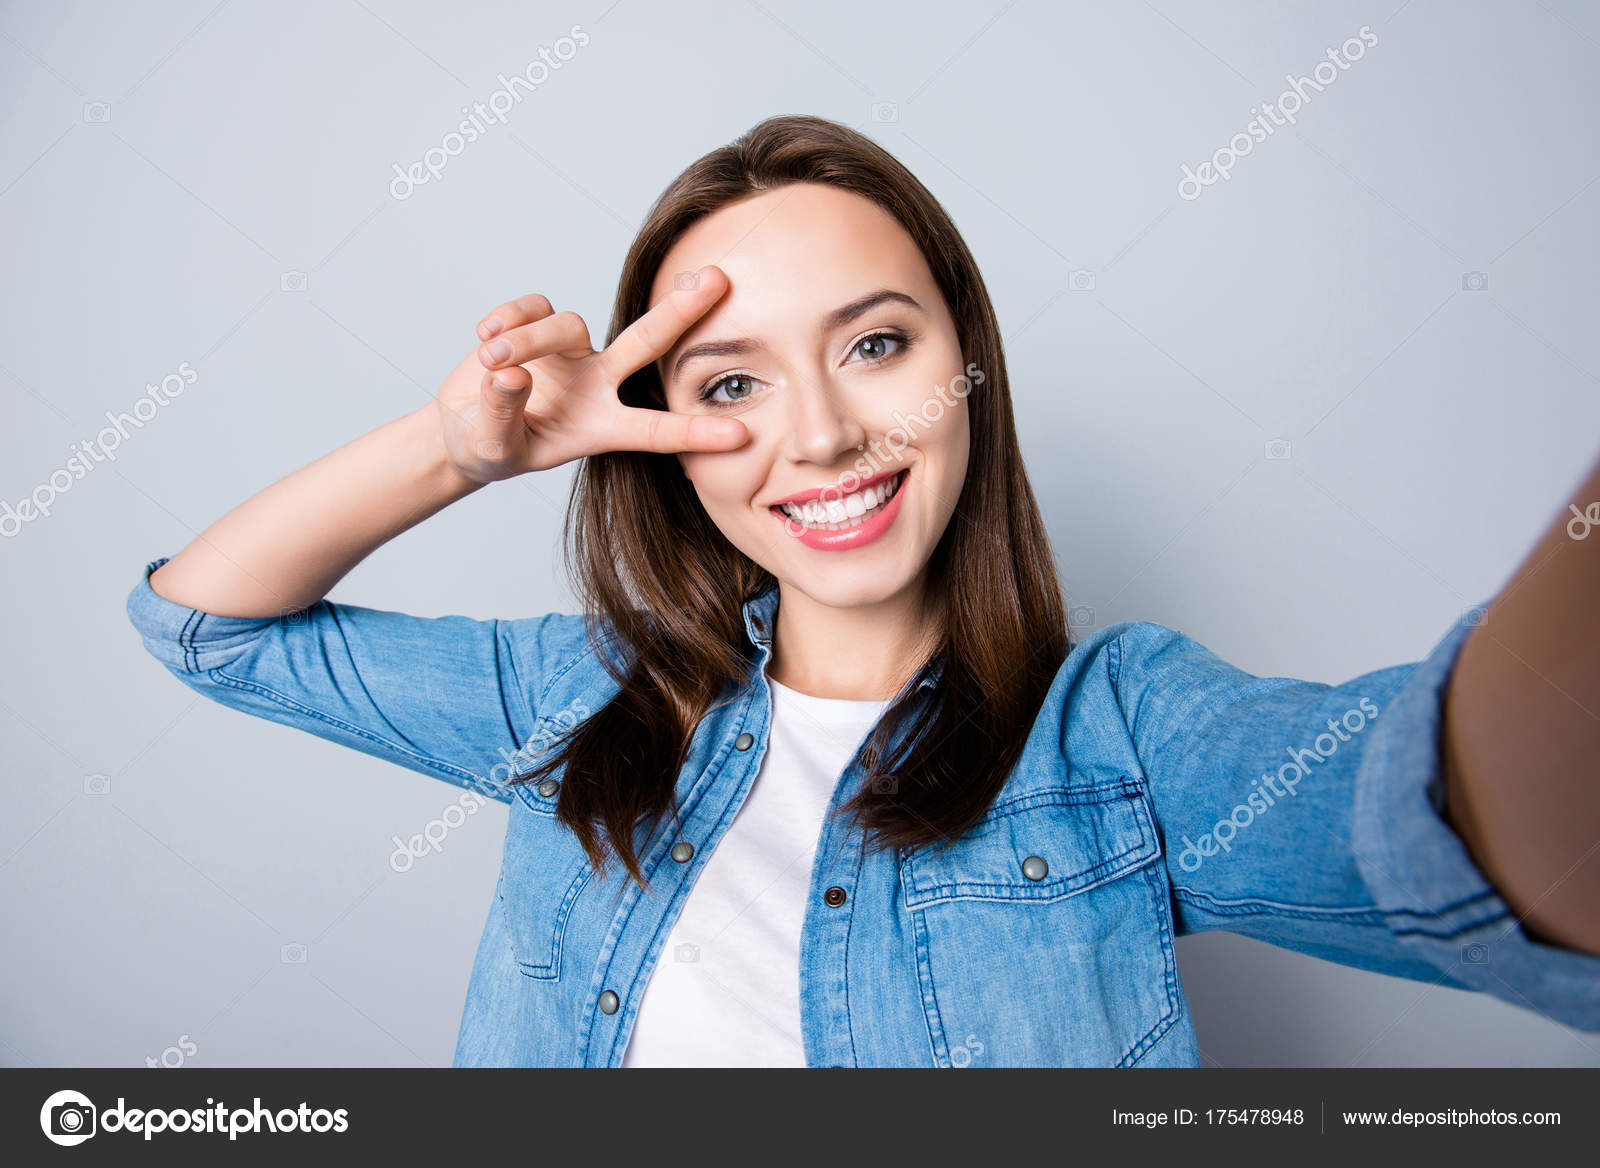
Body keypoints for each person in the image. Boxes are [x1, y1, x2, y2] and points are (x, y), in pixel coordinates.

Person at [126, 114, 1600, 1068]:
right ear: (666, 436)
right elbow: (205, 625)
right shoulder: (580, 698)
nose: (822, 433)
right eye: (730, 383)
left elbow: (1467, 818)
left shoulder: (1121, 737)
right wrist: (460, 451)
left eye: (877, 344)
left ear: (967, 363)